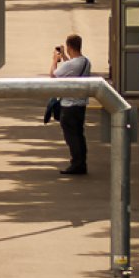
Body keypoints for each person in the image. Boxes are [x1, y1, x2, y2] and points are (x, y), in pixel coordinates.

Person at [49, 34, 90, 174]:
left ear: (70, 46)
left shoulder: (72, 64)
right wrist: (65, 56)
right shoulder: (85, 62)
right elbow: (70, 68)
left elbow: (53, 75)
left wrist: (55, 60)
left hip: (69, 106)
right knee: (79, 135)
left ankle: (76, 164)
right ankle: (81, 162)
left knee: (71, 136)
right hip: (80, 105)